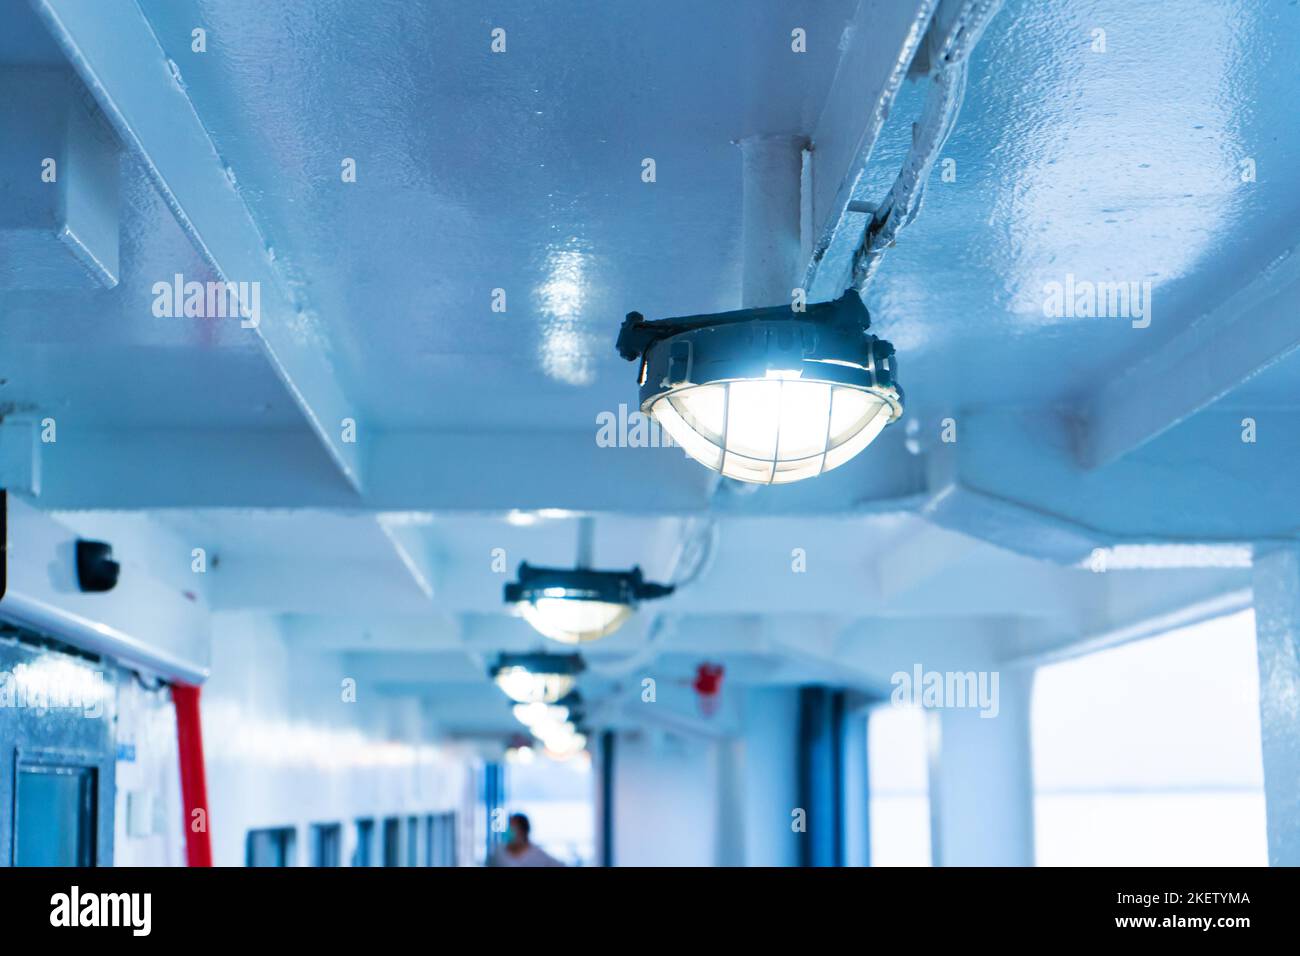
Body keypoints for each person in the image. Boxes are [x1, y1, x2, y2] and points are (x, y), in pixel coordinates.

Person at [491, 813, 565, 867]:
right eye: (508, 829)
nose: (508, 833)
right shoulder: (499, 852)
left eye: (513, 830)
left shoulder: (539, 855)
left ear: (524, 832)